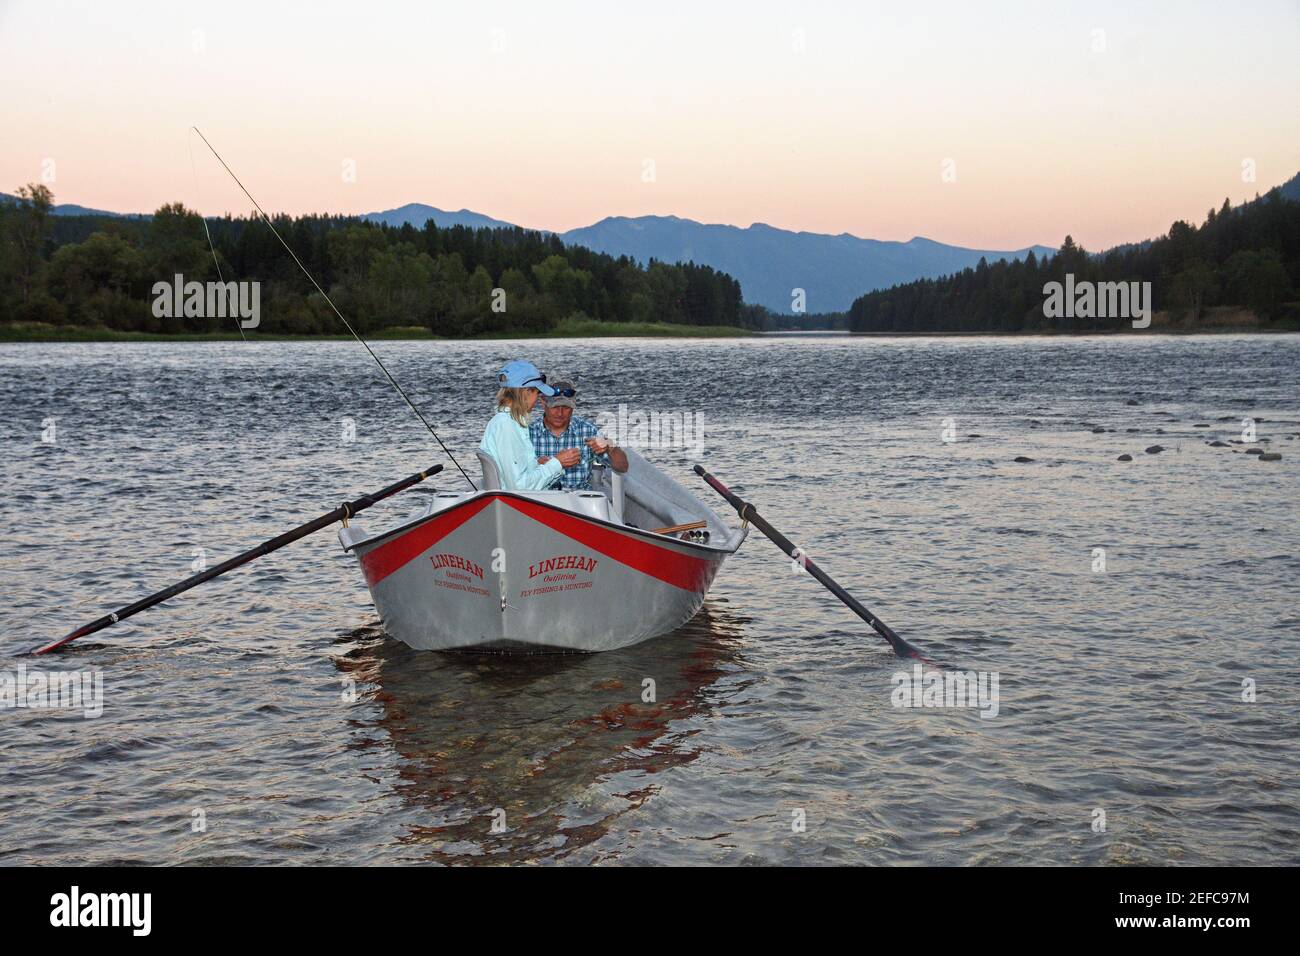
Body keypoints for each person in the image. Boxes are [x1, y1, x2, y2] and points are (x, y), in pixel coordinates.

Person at [479, 360, 581, 490]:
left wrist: (538, 465)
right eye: (537, 393)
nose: (538, 399)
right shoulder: (506, 426)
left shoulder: (506, 422)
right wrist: (557, 463)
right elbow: (519, 487)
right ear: (526, 392)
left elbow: (515, 472)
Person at [530, 376, 628, 490]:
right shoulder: (528, 433)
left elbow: (623, 467)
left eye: (566, 407)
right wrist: (534, 465)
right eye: (555, 406)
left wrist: (609, 446)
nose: (560, 413)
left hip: (579, 503)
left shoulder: (588, 431)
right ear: (543, 402)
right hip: (540, 500)